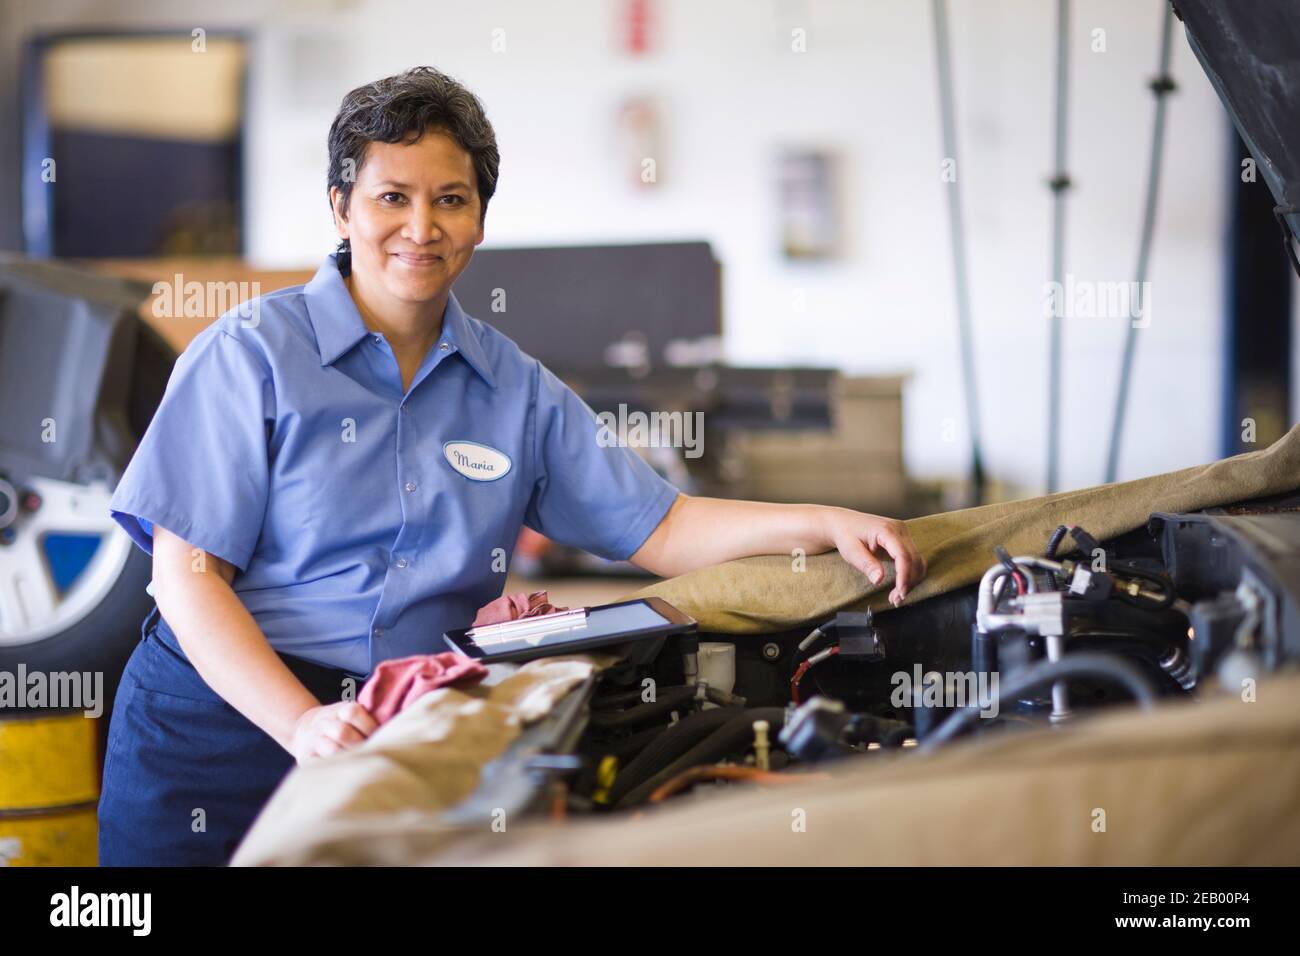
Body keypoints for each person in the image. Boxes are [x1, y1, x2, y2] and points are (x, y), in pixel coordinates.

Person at [98, 66, 925, 866]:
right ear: (340, 206)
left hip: (402, 729)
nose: (421, 227)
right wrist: (301, 724)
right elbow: (187, 576)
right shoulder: (247, 357)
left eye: (449, 200)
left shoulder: (515, 389)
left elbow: (662, 527)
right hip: (218, 731)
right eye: (393, 196)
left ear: (480, 219)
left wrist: (826, 523)